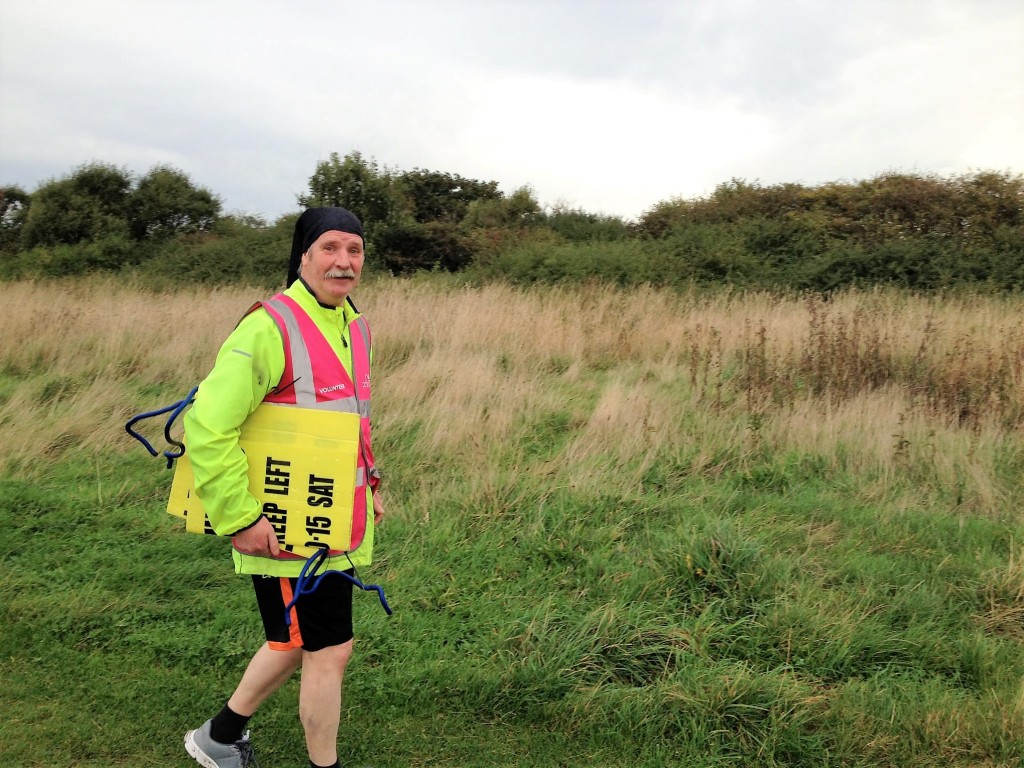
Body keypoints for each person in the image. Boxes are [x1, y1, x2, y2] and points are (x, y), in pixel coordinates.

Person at [181, 207, 385, 768]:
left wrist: (370, 483)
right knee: (329, 649)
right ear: (303, 254)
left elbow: (349, 423)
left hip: (330, 517)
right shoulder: (268, 326)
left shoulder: (353, 324)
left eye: (355, 249)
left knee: (294, 641)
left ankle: (219, 737)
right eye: (330, 248)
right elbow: (207, 424)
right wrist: (239, 517)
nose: (344, 261)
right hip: (282, 525)